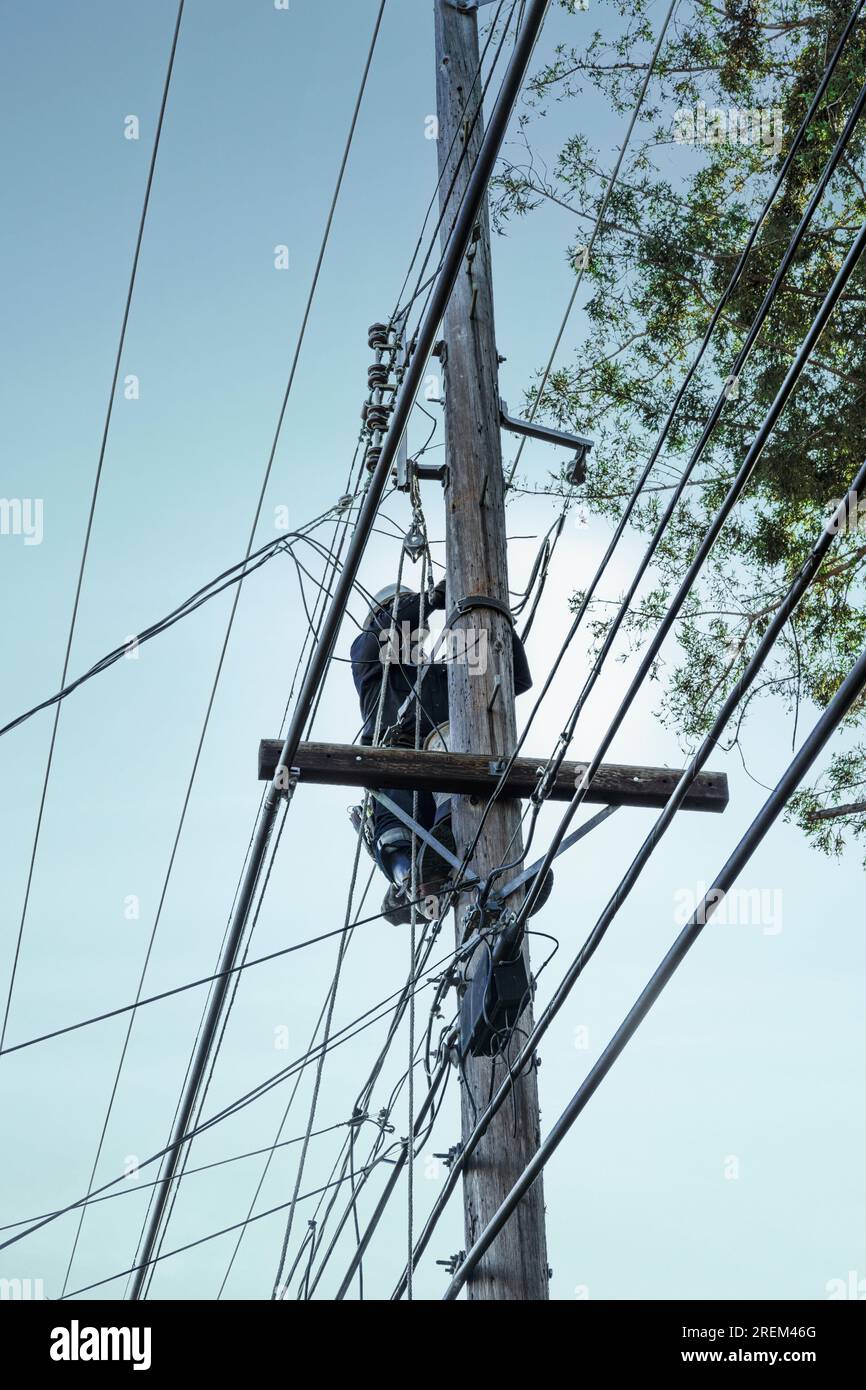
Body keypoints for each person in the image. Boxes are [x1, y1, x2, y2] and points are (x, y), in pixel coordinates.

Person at [350, 577, 533, 924]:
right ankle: (412, 887)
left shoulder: (445, 676)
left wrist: (496, 619)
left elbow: (515, 680)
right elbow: (387, 627)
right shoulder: (369, 659)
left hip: (451, 789)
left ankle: (502, 885)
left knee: (450, 742)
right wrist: (432, 598)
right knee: (392, 836)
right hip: (398, 781)